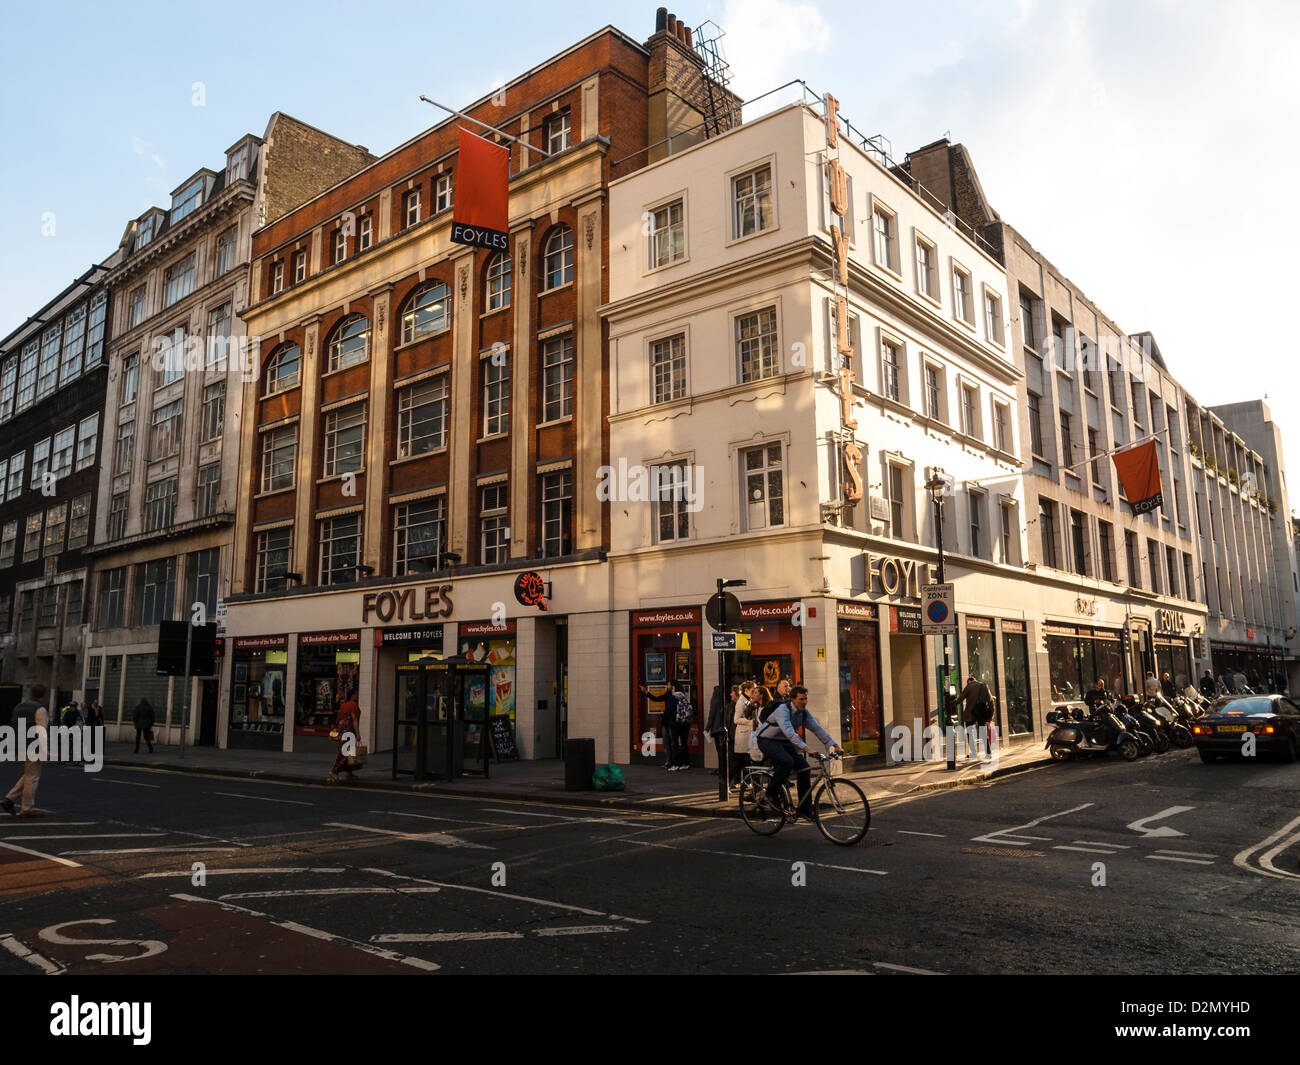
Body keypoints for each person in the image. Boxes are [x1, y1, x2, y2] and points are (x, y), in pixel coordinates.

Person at [754, 685, 842, 816]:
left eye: (806, 699)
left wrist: (834, 745)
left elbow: (817, 728)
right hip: (767, 740)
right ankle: (770, 794)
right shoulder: (782, 710)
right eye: (801, 699)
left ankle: (805, 809)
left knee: (804, 768)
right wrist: (807, 749)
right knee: (786, 761)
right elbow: (790, 733)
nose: (804, 702)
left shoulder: (804, 712)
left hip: (784, 742)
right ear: (792, 700)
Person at [4, 683, 50, 818]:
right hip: (32, 746)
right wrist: (45, 749)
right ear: (43, 695)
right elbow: (41, 731)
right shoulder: (40, 709)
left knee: (29, 774)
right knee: (32, 777)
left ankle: (9, 800)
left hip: (18, 744)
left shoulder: (18, 706)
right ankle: (26, 808)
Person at [955, 675, 995, 760]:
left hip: (971, 713)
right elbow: (991, 701)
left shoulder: (968, 687)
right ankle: (988, 753)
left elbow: (960, 699)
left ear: (969, 681)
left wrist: (951, 703)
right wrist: (991, 716)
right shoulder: (984, 686)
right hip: (981, 713)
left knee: (970, 733)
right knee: (984, 733)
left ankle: (973, 753)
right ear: (975, 680)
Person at [328, 696, 362, 784]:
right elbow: (354, 719)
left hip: (343, 732)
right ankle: (334, 771)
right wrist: (358, 734)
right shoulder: (353, 705)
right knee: (344, 754)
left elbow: (338, 719)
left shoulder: (344, 705)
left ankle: (349, 773)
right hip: (349, 732)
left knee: (349, 753)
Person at [705, 684, 729, 777]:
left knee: (719, 751)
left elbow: (711, 715)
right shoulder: (724, 700)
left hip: (716, 728)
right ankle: (723, 768)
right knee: (723, 751)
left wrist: (707, 728)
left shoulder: (714, 700)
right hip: (723, 728)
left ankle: (721, 769)